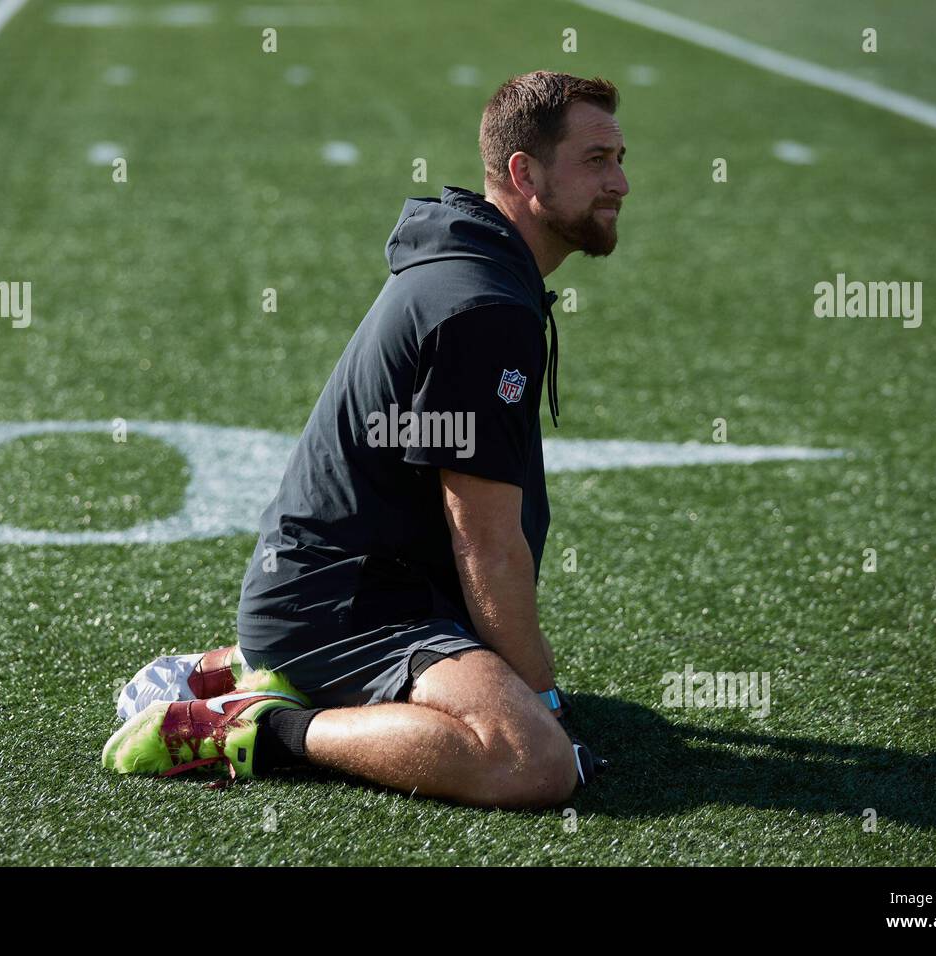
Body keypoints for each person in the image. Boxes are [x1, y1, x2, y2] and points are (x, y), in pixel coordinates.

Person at [104, 71, 628, 808]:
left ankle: (242, 664)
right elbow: (486, 543)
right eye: (597, 161)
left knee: (534, 716)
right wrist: (540, 700)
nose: (621, 184)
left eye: (620, 158)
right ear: (524, 173)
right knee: (533, 762)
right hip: (349, 604)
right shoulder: (482, 306)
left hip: (368, 589)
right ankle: (251, 726)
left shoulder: (481, 273)